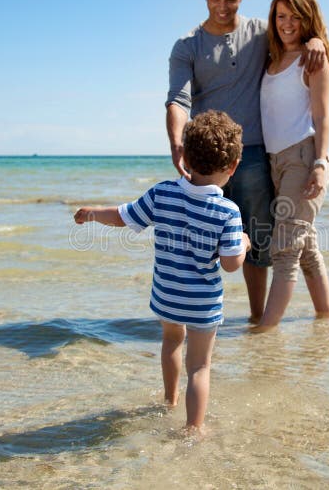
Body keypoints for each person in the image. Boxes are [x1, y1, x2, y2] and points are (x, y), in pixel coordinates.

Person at [166, 0, 326, 324]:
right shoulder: (186, 46)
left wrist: (315, 39)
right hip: (205, 159)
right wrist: (178, 143)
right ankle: (190, 316)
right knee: (199, 241)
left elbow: (294, 28)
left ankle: (257, 319)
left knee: (258, 243)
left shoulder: (259, 32)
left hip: (254, 154)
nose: (223, 7)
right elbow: (178, 98)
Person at [74, 110, 250, 432]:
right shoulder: (229, 211)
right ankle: (193, 429)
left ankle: (169, 400)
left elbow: (124, 217)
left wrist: (93, 214)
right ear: (232, 167)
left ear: (185, 157)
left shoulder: (163, 193)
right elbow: (230, 264)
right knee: (199, 365)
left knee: (171, 342)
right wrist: (245, 244)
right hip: (202, 302)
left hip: (167, 293)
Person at [250, 0, 329, 333]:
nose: (287, 24)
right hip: (276, 162)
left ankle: (264, 333)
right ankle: (325, 320)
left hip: (304, 158)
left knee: (285, 248)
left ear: (308, 19)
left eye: (295, 17)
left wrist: (320, 164)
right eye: (281, 16)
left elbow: (322, 117)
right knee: (305, 247)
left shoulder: (312, 59)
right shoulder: (272, 58)